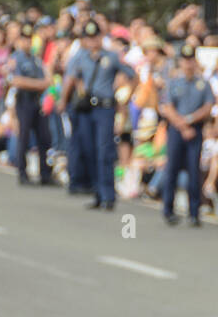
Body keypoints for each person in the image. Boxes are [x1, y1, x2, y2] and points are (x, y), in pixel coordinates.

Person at [62, 20, 135, 210]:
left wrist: (123, 96)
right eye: (89, 38)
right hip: (87, 107)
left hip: (105, 107)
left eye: (95, 37)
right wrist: (64, 99)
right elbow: (71, 78)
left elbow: (132, 75)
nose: (93, 41)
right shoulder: (80, 57)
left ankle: (108, 195)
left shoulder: (111, 57)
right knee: (89, 150)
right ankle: (96, 192)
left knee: (104, 151)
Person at [159, 44, 215, 227]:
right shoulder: (174, 82)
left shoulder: (203, 84)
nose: (188, 64)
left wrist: (190, 120)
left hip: (195, 130)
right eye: (185, 60)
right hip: (176, 130)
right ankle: (168, 209)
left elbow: (208, 107)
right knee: (171, 170)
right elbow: (167, 107)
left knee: (193, 171)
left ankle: (194, 212)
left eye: (191, 60)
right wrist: (182, 125)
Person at [8, 22, 53, 187]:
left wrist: (38, 84)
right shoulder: (16, 59)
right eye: (24, 39)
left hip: (36, 100)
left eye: (29, 39)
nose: (27, 43)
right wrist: (38, 84)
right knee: (24, 136)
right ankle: (22, 172)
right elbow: (17, 81)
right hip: (24, 100)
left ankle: (45, 173)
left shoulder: (35, 59)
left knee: (44, 137)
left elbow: (47, 80)